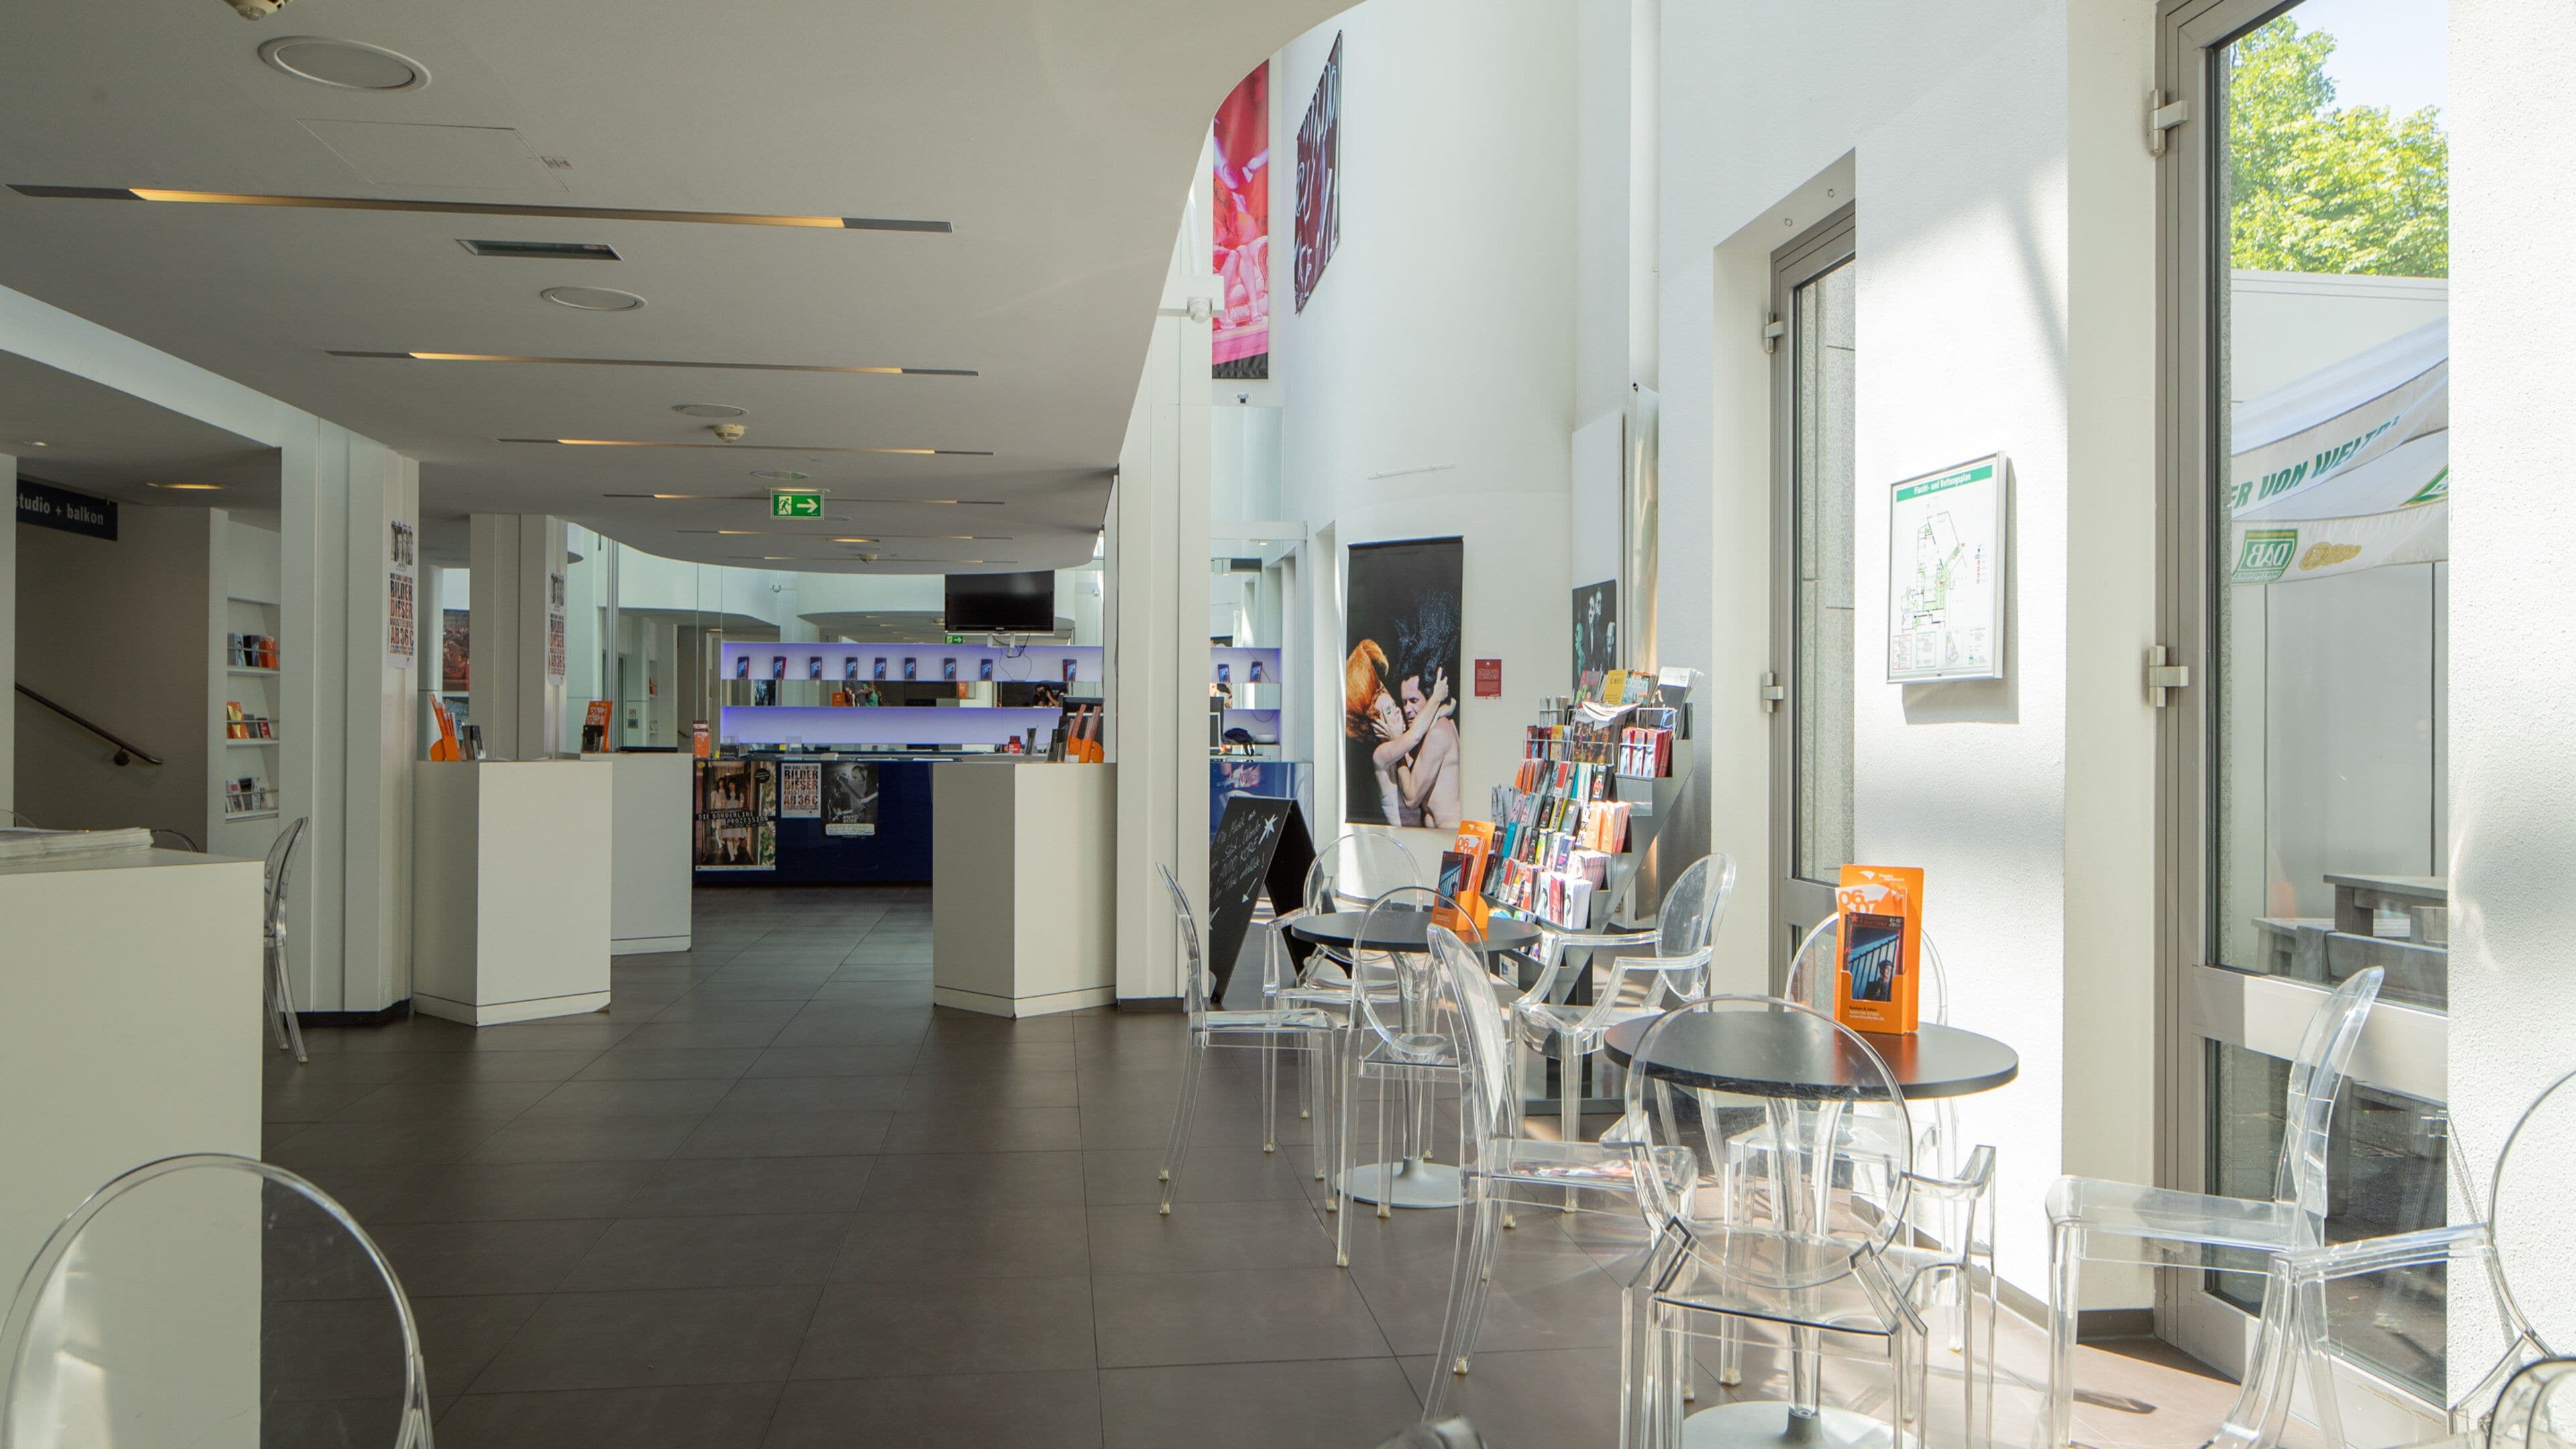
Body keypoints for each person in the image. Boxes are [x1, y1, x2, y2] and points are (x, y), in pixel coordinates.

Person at [1395, 668, 1461, 829]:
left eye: (1414, 701)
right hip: (1438, 834)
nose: (1407, 709)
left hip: (1448, 833)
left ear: (1431, 700)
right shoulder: (1435, 729)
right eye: (1404, 703)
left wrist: (1397, 750)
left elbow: (1411, 798)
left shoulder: (1438, 733)